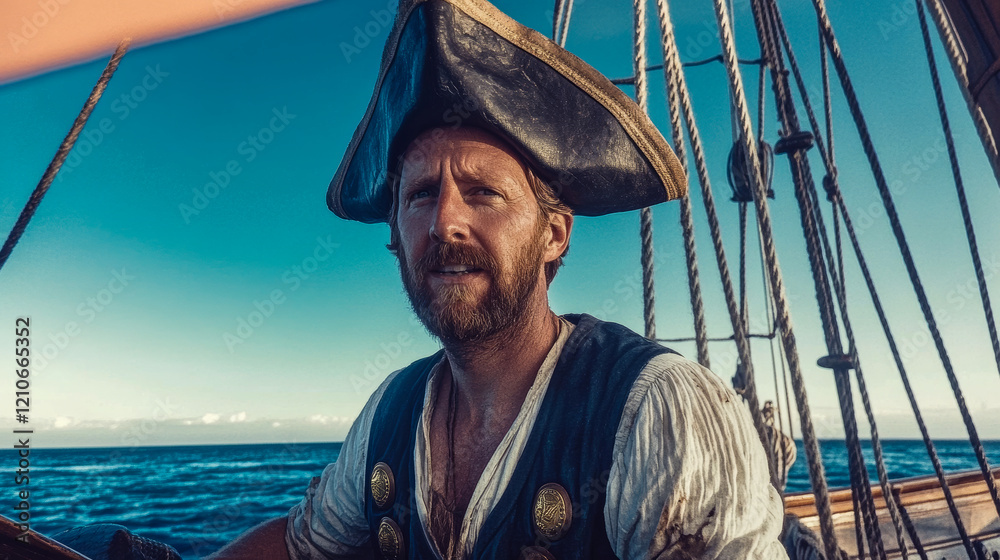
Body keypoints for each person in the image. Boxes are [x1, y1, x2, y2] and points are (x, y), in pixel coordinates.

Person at [209, 0, 788, 558]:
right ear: (394, 238)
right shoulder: (389, 413)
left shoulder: (654, 410)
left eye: (482, 193)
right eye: (420, 195)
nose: (444, 224)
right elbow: (302, 546)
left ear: (554, 236)